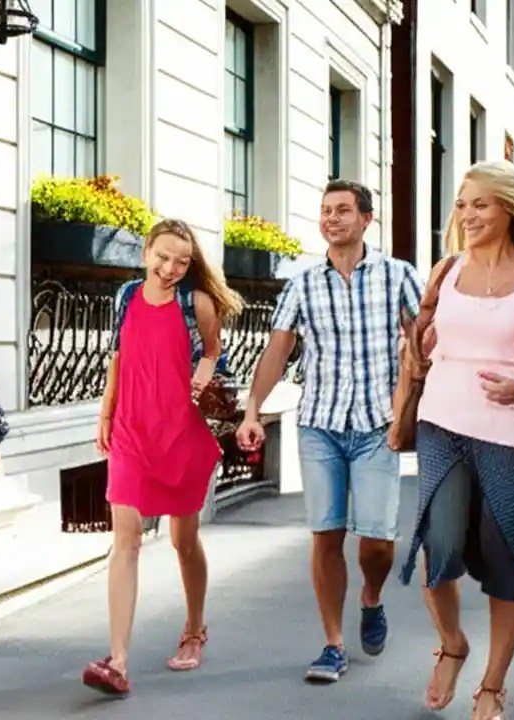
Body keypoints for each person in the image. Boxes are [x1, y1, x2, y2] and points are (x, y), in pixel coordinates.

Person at [393, 161, 514, 720]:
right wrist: (417, 345)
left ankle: (493, 684)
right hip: (443, 422)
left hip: (512, 433)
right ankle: (452, 643)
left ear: (509, 209)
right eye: (462, 204)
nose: (467, 215)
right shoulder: (446, 271)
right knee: (437, 542)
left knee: (505, 557)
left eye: (481, 205)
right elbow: (421, 340)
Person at [235, 180, 423, 683]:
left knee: (377, 542)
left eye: (343, 210)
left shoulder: (398, 276)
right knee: (325, 535)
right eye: (325, 211)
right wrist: (253, 409)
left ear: (367, 218)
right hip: (319, 423)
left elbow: (426, 341)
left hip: (377, 427)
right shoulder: (302, 282)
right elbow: (278, 351)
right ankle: (333, 644)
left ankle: (372, 597)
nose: (332, 218)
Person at [81, 219, 244, 695]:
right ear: (145, 251)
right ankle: (118, 660)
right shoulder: (127, 296)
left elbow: (214, 352)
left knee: (183, 541)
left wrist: (203, 374)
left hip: (182, 433)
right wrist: (105, 414)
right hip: (132, 432)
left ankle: (194, 629)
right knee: (125, 541)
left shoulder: (198, 303)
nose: (171, 268)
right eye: (163, 256)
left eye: (182, 261)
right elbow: (117, 356)